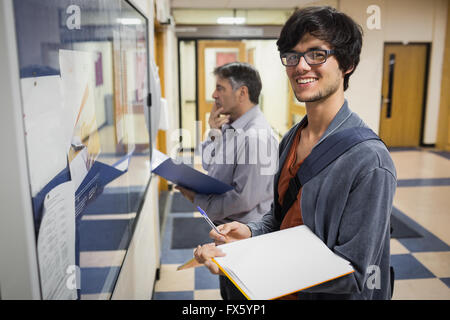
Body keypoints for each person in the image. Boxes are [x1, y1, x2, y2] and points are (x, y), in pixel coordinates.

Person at [194, 6, 397, 300]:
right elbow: (279, 220)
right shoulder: (292, 137)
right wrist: (250, 233)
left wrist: (251, 265)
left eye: (317, 54)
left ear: (347, 63)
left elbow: (354, 277)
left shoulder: (369, 162)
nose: (300, 66)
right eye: (292, 56)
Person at [176, 62, 278, 300]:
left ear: (242, 92)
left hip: (247, 241)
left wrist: (197, 198)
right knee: (230, 294)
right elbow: (213, 166)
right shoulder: (233, 127)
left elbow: (244, 198)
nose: (214, 95)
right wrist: (213, 131)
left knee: (242, 298)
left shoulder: (256, 137)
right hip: (229, 237)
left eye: (220, 88)